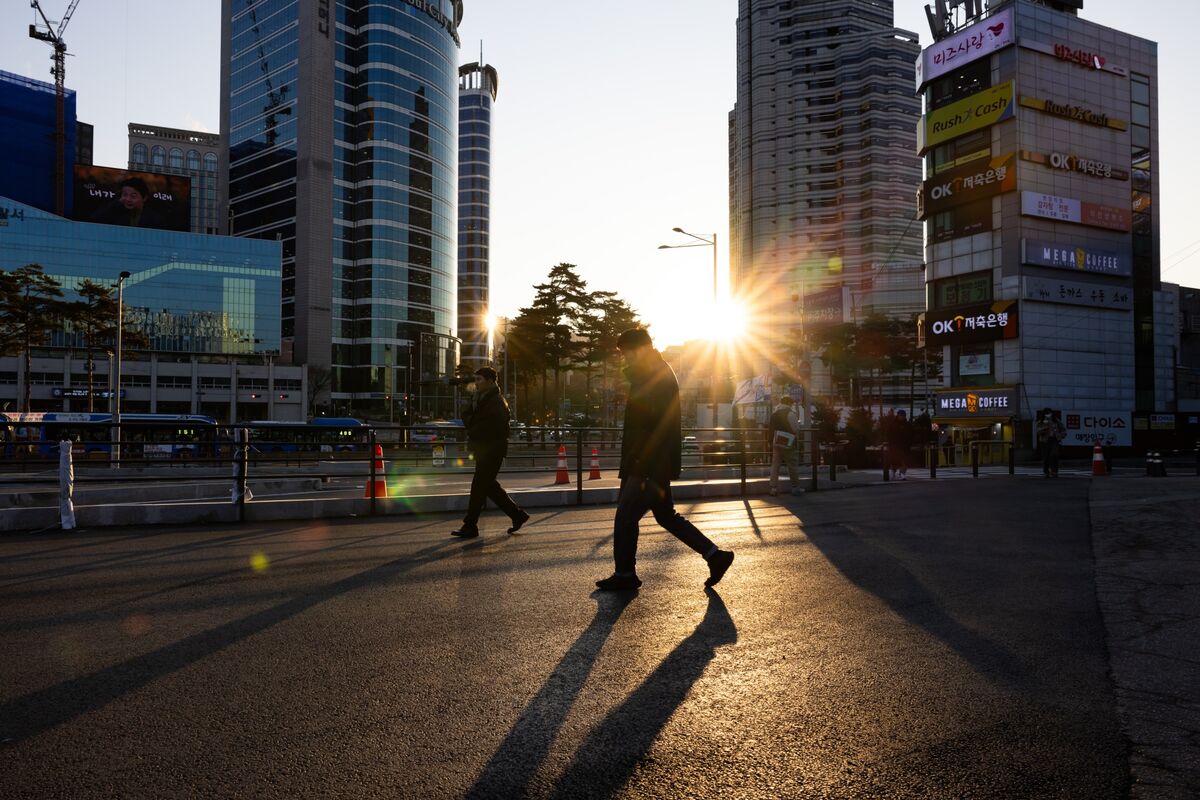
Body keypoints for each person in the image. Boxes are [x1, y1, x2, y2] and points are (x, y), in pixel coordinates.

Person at [595, 328, 734, 591]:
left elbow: (655, 426)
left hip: (647, 463)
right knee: (666, 517)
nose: (625, 359)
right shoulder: (651, 374)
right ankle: (715, 556)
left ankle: (625, 574)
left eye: (627, 353)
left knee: (625, 517)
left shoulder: (655, 377)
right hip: (650, 462)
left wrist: (643, 464)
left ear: (642, 349)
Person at [451, 367, 530, 538]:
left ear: (490, 381)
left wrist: (472, 426)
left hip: (492, 450)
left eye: (479, 379)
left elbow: (487, 426)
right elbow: (470, 417)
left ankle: (470, 525)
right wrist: (472, 423)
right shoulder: (481, 398)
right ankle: (517, 515)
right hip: (485, 449)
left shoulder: (495, 401)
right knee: (489, 486)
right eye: (476, 379)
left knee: (479, 486)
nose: (476, 383)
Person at [90, 177, 168, 228]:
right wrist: (115, 204)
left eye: (133, 196)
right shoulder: (116, 211)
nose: (128, 199)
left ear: (144, 198)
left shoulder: (155, 219)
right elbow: (94, 220)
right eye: (125, 195)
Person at [768, 395, 802, 496]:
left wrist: (770, 442)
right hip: (788, 442)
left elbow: (770, 430)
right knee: (792, 465)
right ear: (789, 403)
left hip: (776, 441)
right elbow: (796, 429)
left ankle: (773, 488)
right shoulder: (790, 413)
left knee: (775, 465)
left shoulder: (774, 414)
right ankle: (795, 487)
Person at [1035, 409, 1066, 478]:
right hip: (1044, 441)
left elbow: (1063, 429)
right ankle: (1046, 472)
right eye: (1046, 414)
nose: (1048, 415)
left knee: (1054, 455)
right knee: (1045, 457)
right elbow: (1038, 431)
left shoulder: (1056, 421)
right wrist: (1045, 427)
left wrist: (1060, 436)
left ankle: (1054, 471)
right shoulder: (1041, 422)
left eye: (1049, 413)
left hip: (1054, 440)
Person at [886, 409, 913, 480]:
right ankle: (893, 472)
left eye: (903, 416)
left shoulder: (907, 425)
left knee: (904, 461)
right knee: (894, 460)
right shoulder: (892, 424)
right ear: (897, 416)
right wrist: (890, 444)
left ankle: (902, 474)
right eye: (900, 415)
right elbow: (889, 435)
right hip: (895, 446)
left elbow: (911, 435)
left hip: (905, 446)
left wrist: (910, 443)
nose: (901, 417)